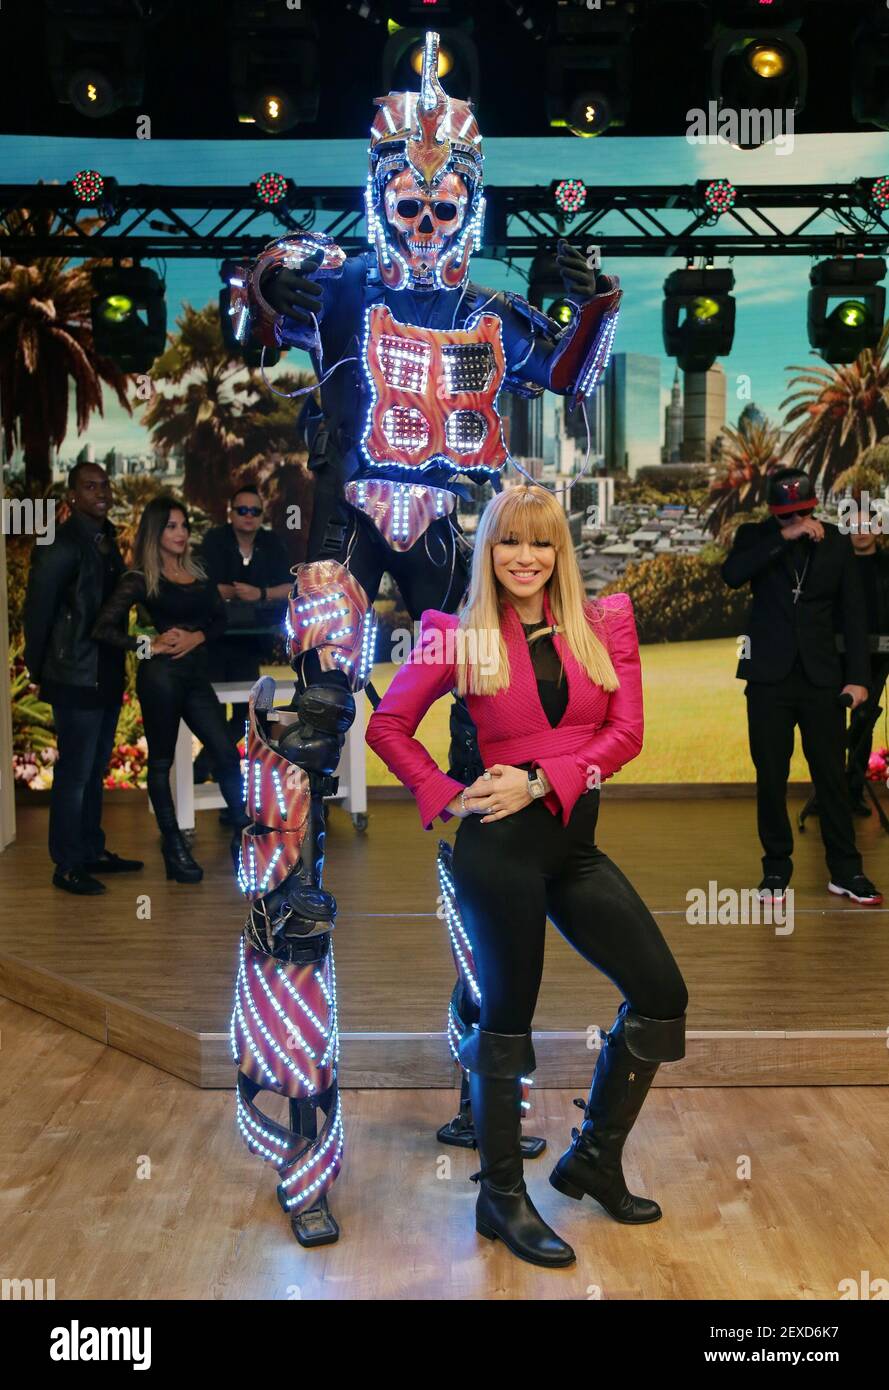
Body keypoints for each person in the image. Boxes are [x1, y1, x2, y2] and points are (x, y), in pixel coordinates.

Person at [226, 29, 623, 1244]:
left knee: (495, 795)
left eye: (446, 194)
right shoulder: (338, 280)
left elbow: (574, 372)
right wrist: (258, 283)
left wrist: (594, 290)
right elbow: (251, 329)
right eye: (408, 192)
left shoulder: (495, 308)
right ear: (376, 192)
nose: (427, 209)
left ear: (473, 199)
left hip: (461, 550)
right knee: (290, 776)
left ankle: (482, 1081)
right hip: (348, 540)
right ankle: (302, 1139)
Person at [366, 485, 688, 1269]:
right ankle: (500, 1197)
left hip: (573, 847)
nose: (524, 557)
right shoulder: (458, 636)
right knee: (507, 1019)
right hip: (499, 854)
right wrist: (446, 793)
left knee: (661, 997)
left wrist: (542, 781)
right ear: (489, 549)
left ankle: (592, 1158)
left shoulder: (602, 623)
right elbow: (387, 725)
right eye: (509, 541)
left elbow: (626, 733)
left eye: (540, 543)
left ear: (559, 552)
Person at [722, 467, 881, 906]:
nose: (797, 519)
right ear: (774, 511)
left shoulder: (835, 542)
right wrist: (783, 539)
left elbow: (854, 614)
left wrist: (859, 678)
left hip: (822, 680)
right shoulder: (756, 536)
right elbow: (732, 575)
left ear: (813, 505)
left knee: (831, 777)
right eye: (787, 514)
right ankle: (775, 871)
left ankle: (846, 871)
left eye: (802, 512)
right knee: (771, 778)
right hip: (767, 679)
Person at [92, 496, 249, 884]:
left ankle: (246, 837)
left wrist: (196, 637)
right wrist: (151, 645)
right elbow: (104, 630)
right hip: (159, 677)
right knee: (161, 762)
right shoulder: (139, 579)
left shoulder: (197, 573)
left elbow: (220, 619)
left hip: (196, 678)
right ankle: (173, 843)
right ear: (155, 532)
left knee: (226, 755)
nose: (180, 533)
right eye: (171, 527)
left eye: (183, 526)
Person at [23, 461, 143, 896]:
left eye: (105, 485)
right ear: (72, 496)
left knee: (93, 772)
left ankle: (91, 850)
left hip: (105, 674)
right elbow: (36, 612)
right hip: (73, 674)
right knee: (74, 774)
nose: (102, 492)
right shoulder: (59, 541)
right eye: (90, 486)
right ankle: (66, 864)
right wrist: (38, 666)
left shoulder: (107, 539)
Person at [194, 484, 292, 791]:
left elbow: (291, 586)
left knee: (245, 714)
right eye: (242, 510)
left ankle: (204, 768)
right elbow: (196, 581)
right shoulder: (214, 540)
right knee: (210, 711)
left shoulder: (271, 542)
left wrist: (259, 594)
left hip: (251, 642)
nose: (248, 516)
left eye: (255, 511)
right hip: (215, 639)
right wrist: (219, 591)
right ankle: (218, 773)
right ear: (230, 512)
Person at [845, 514, 889, 814]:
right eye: (854, 527)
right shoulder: (838, 566)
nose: (861, 533)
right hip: (838, 655)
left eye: (867, 526)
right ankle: (828, 791)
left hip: (879, 656)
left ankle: (853, 791)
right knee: (829, 724)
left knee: (863, 719)